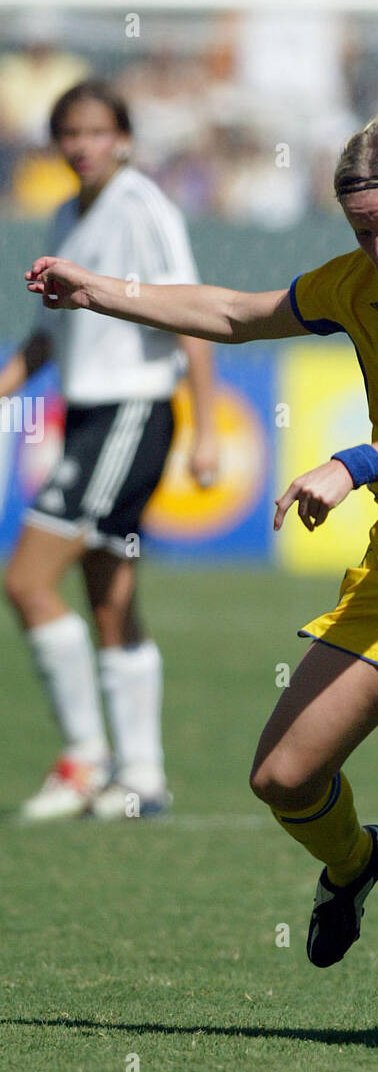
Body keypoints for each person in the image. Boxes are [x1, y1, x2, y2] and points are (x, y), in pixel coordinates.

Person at [25, 97, 378, 1055]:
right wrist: (97, 291)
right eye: (362, 232)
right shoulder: (360, 283)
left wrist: (348, 464)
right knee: (282, 777)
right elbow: (236, 315)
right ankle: (358, 861)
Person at [4, 79, 217, 821]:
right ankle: (142, 778)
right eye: (69, 133)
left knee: (27, 580)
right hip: (90, 415)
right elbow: (49, 332)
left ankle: (85, 761)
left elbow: (191, 310)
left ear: (122, 137)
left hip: (133, 410)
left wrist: (209, 426)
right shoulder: (66, 214)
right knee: (108, 594)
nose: (82, 145)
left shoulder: (141, 205)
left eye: (96, 131)